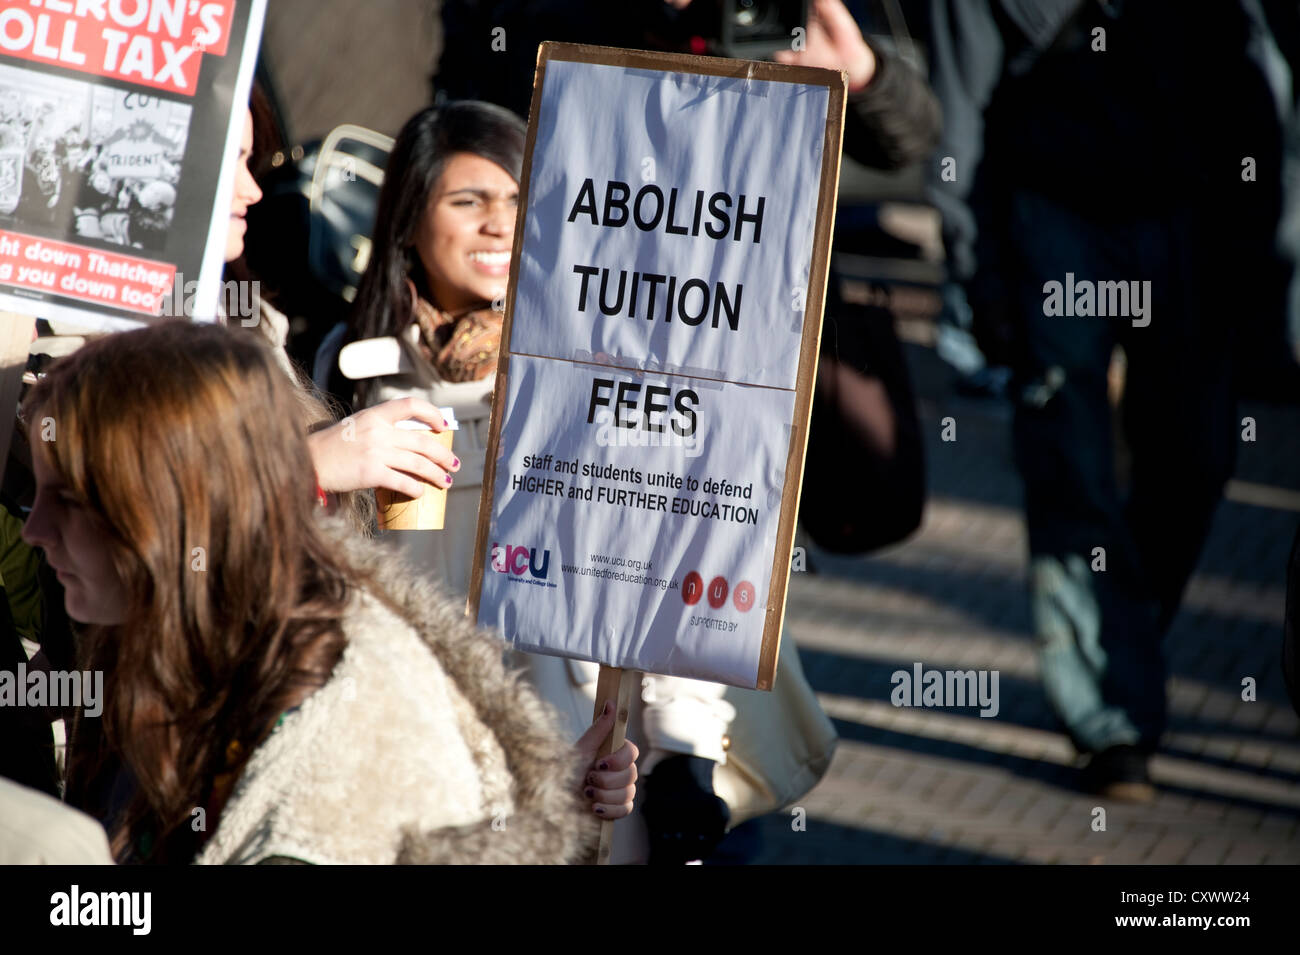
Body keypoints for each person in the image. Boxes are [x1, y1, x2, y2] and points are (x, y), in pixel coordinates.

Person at [20, 320, 634, 864]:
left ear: (183, 504)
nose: (34, 530)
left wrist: (523, 805)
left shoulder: (342, 722)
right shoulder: (143, 664)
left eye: (69, 500)